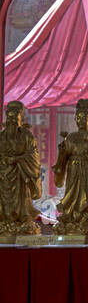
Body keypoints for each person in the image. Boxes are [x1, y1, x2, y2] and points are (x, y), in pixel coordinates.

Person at [52, 97, 88, 236]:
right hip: (74, 173)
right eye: (78, 117)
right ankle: (71, 216)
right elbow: (63, 160)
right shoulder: (70, 138)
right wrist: (62, 152)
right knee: (72, 197)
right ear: (75, 119)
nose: (81, 120)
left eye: (85, 117)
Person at [0, 100, 41, 236]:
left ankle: (22, 219)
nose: (12, 120)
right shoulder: (1, 137)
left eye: (15, 117)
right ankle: (5, 220)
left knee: (21, 201)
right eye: (9, 117)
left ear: (21, 118)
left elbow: (33, 157)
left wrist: (17, 159)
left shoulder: (27, 137)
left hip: (21, 176)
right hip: (3, 176)